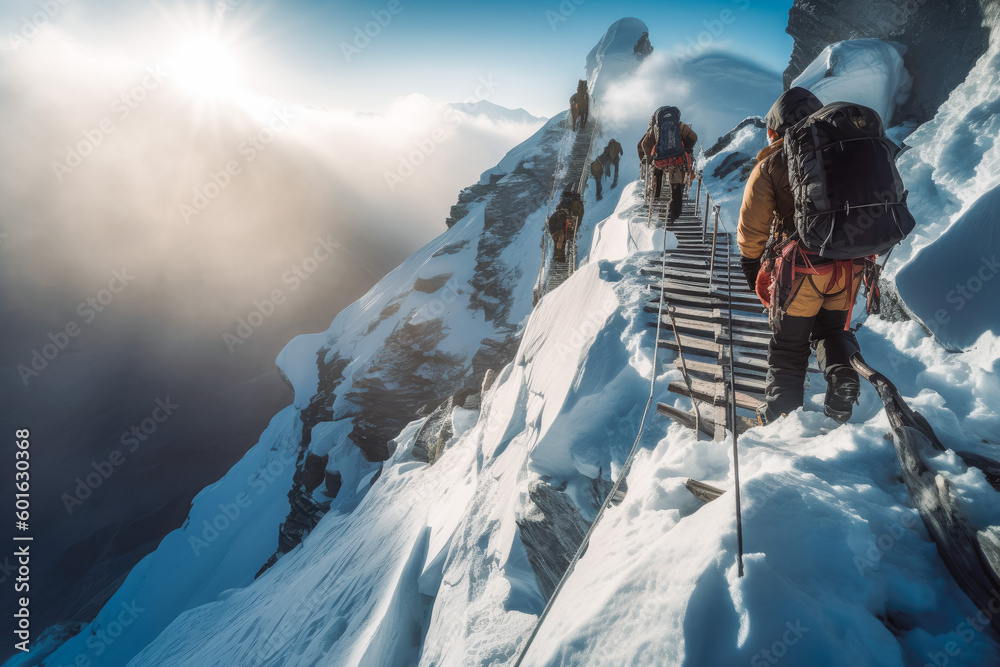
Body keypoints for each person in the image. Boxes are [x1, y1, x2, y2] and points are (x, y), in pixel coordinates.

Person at [737, 87, 863, 425]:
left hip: (803, 270)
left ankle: (781, 419)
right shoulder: (848, 148)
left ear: (776, 129)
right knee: (832, 332)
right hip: (850, 266)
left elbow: (752, 226)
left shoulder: (773, 162)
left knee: (788, 347)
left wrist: (751, 265)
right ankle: (842, 378)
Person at [641, 108, 697, 223]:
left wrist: (650, 158)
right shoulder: (680, 125)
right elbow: (693, 137)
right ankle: (672, 217)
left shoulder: (655, 128)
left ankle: (655, 198)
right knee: (676, 191)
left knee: (657, 175)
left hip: (660, 161)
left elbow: (645, 144)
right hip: (677, 160)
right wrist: (687, 149)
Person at [548, 189, 584, 262]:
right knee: (561, 238)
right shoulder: (574, 203)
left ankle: (558, 258)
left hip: (554, 218)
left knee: (558, 238)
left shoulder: (563, 202)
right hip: (561, 217)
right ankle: (560, 258)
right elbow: (575, 213)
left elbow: (557, 207)